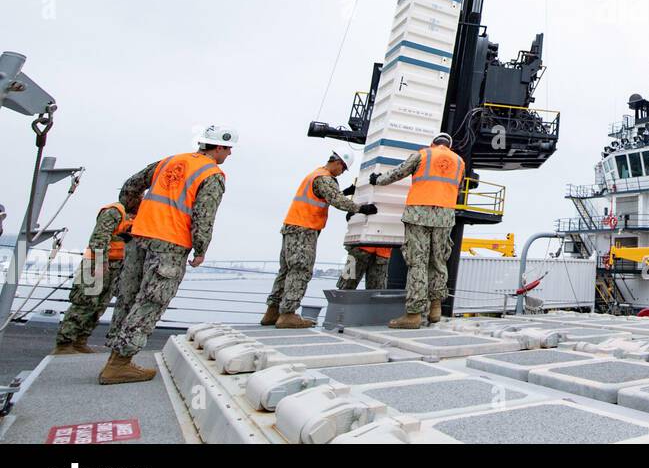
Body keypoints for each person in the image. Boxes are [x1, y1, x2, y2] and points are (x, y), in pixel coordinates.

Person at [101, 125, 235, 385]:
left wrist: (136, 213)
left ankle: (115, 356)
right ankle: (120, 364)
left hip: (139, 237)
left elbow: (130, 187)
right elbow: (204, 215)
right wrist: (200, 248)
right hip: (170, 244)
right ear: (218, 147)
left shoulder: (169, 161)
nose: (229, 154)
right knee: (151, 300)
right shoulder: (213, 174)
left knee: (129, 296)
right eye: (228, 149)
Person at [262, 150, 376, 328]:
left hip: (292, 227)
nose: (341, 172)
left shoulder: (315, 174)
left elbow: (324, 196)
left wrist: (346, 191)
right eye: (343, 169)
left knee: (286, 271)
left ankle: (272, 311)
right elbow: (336, 200)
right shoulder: (324, 178)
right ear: (338, 163)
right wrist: (361, 209)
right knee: (300, 269)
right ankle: (288, 314)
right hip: (304, 230)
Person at [368, 131, 464, 328]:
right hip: (445, 215)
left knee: (417, 262)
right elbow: (458, 188)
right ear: (449, 146)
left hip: (419, 212)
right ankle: (435, 308)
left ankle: (413, 314)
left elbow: (398, 173)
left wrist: (377, 179)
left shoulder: (422, 155)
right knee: (438, 261)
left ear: (433, 143)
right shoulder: (459, 162)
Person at [51, 202, 134, 355]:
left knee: (99, 306)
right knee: (85, 303)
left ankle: (80, 341)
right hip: (96, 263)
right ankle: (64, 344)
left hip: (115, 266)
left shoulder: (137, 216)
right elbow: (99, 237)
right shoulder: (115, 211)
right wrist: (101, 262)